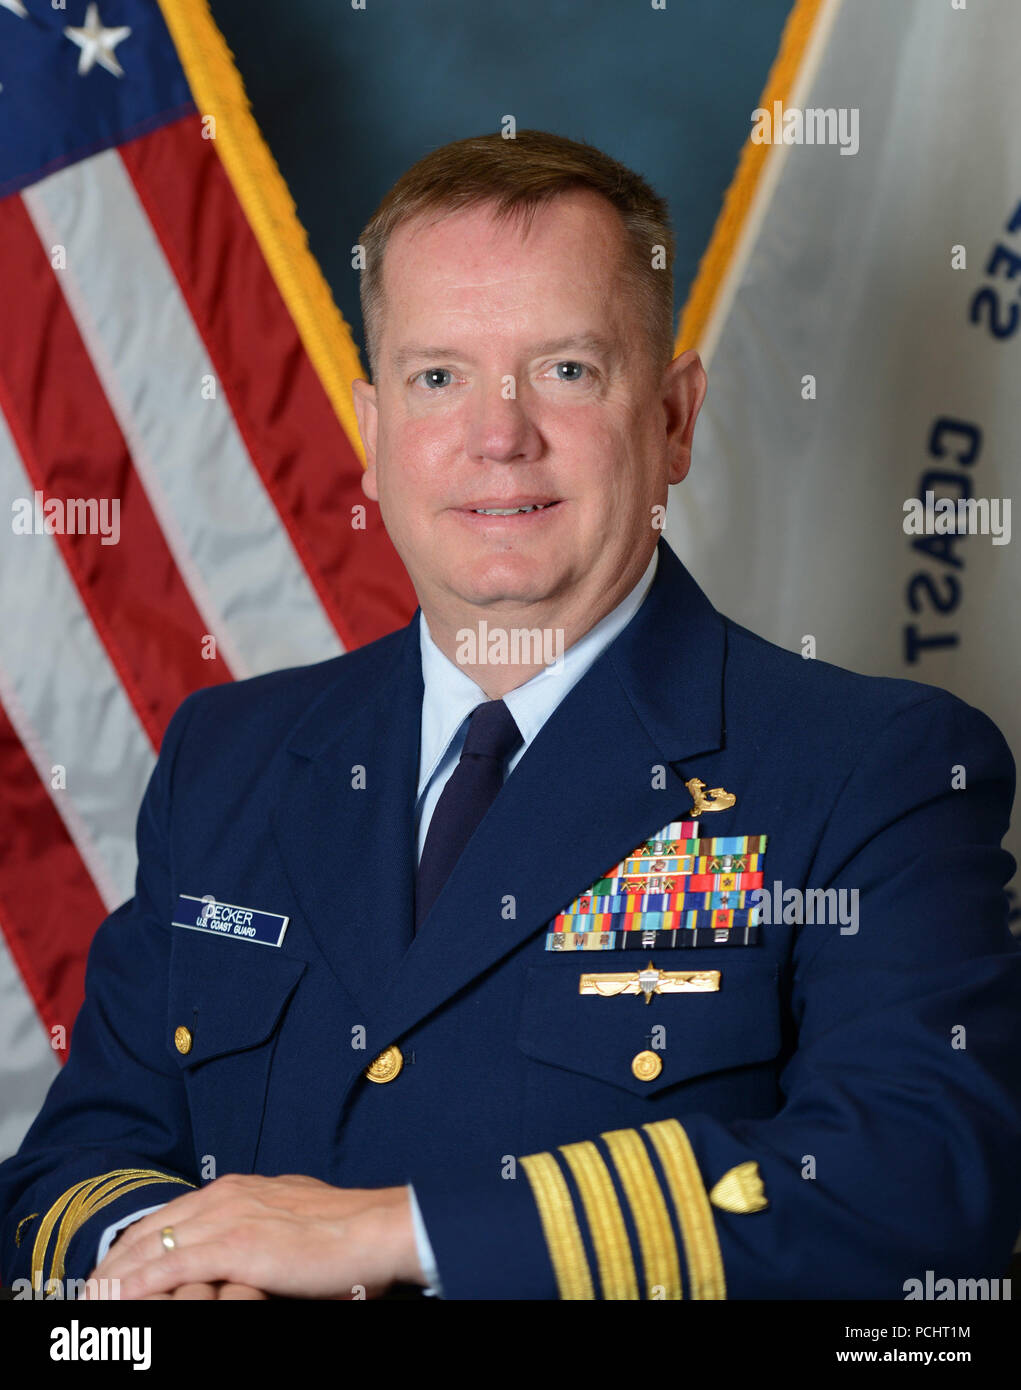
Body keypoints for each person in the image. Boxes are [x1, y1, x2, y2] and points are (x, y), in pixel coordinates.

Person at [1, 130, 1019, 1301]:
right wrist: (177, 1262)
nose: (499, 434)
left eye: (567, 371)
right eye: (439, 377)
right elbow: (66, 1175)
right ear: (372, 433)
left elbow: (923, 1197)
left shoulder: (869, 770)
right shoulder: (229, 759)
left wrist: (401, 1233)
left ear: (677, 418)